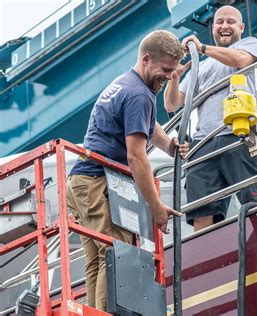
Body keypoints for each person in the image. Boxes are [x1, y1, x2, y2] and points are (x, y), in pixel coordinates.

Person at [66, 30, 188, 311]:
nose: (170, 77)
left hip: (81, 182)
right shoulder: (139, 95)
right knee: (117, 252)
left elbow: (146, 123)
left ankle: (97, 311)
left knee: (100, 257)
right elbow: (136, 157)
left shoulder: (130, 84)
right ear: (146, 59)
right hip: (96, 182)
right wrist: (156, 206)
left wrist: (167, 143)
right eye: (166, 70)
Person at [164, 5, 257, 231]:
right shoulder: (200, 67)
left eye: (230, 22)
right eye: (219, 22)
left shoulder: (250, 45)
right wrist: (174, 78)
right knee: (201, 212)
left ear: (241, 27)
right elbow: (172, 103)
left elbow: (240, 61)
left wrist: (202, 48)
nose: (224, 26)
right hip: (203, 142)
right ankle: (205, 261)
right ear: (213, 28)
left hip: (239, 134)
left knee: (254, 201)